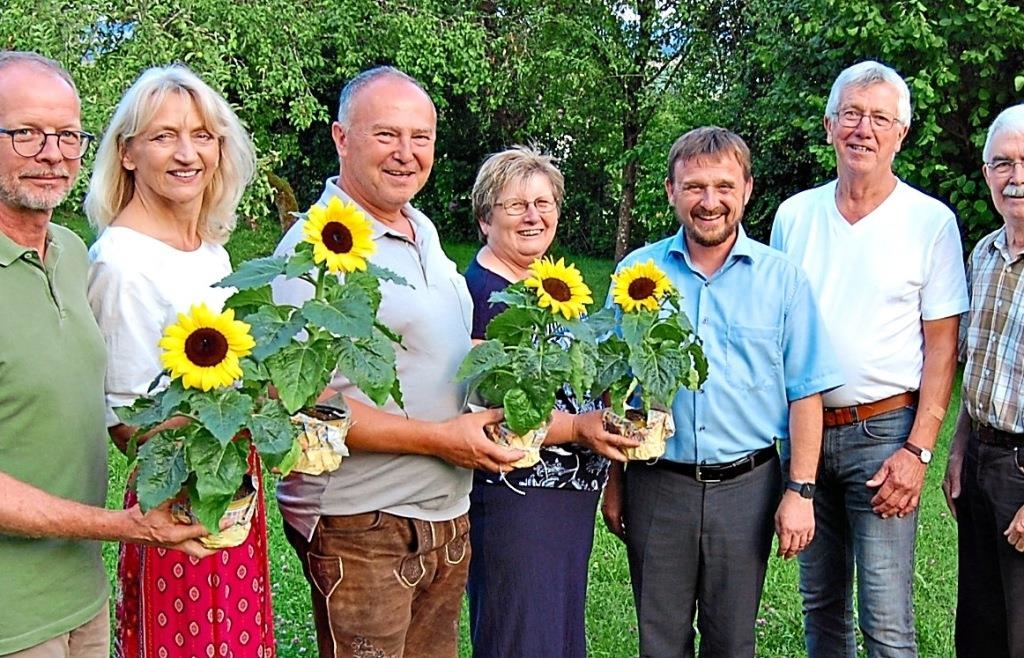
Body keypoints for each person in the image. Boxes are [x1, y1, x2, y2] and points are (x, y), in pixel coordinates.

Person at [271, 66, 524, 658]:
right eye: (387, 135)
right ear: (341, 138)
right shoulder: (315, 250)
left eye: (421, 137)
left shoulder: (422, 228)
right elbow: (307, 404)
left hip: (444, 515)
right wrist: (441, 439)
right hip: (365, 526)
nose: (407, 154)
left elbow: (432, 349)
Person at [0, 51, 212, 658]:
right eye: (26, 133)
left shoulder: (68, 253)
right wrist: (126, 526)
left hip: (81, 597)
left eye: (67, 134)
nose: (52, 152)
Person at [602, 126, 842, 657]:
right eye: (694, 187)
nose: (709, 202)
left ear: (747, 189)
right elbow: (614, 386)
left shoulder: (783, 282)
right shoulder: (635, 274)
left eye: (723, 187)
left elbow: (806, 393)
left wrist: (800, 492)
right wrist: (614, 480)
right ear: (670, 191)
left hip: (747, 489)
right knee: (659, 641)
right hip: (656, 484)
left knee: (732, 642)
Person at [771, 60, 969, 657]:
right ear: (829, 125)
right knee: (820, 606)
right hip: (802, 434)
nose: (864, 128)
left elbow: (943, 347)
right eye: (852, 114)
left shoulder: (930, 222)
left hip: (883, 436)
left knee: (885, 618)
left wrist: (918, 451)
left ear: (900, 134)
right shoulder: (794, 216)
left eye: (880, 117)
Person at [83, 65, 271, 658]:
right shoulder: (122, 263)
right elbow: (127, 424)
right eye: (164, 135)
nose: (187, 152)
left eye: (202, 135)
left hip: (233, 487)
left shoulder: (211, 252)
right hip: (179, 503)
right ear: (128, 152)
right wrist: (239, 423)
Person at [463, 145, 639, 658]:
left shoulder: (548, 290)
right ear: (484, 217)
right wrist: (579, 429)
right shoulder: (480, 296)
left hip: (562, 499)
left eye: (544, 203)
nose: (534, 215)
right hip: (516, 498)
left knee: (555, 633)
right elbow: (489, 412)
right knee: (520, 634)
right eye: (516, 204)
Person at [943, 104, 1024, 658]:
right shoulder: (984, 255)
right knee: (980, 627)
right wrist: (958, 448)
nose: (1016, 178)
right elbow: (979, 366)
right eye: (1003, 164)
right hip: (982, 464)